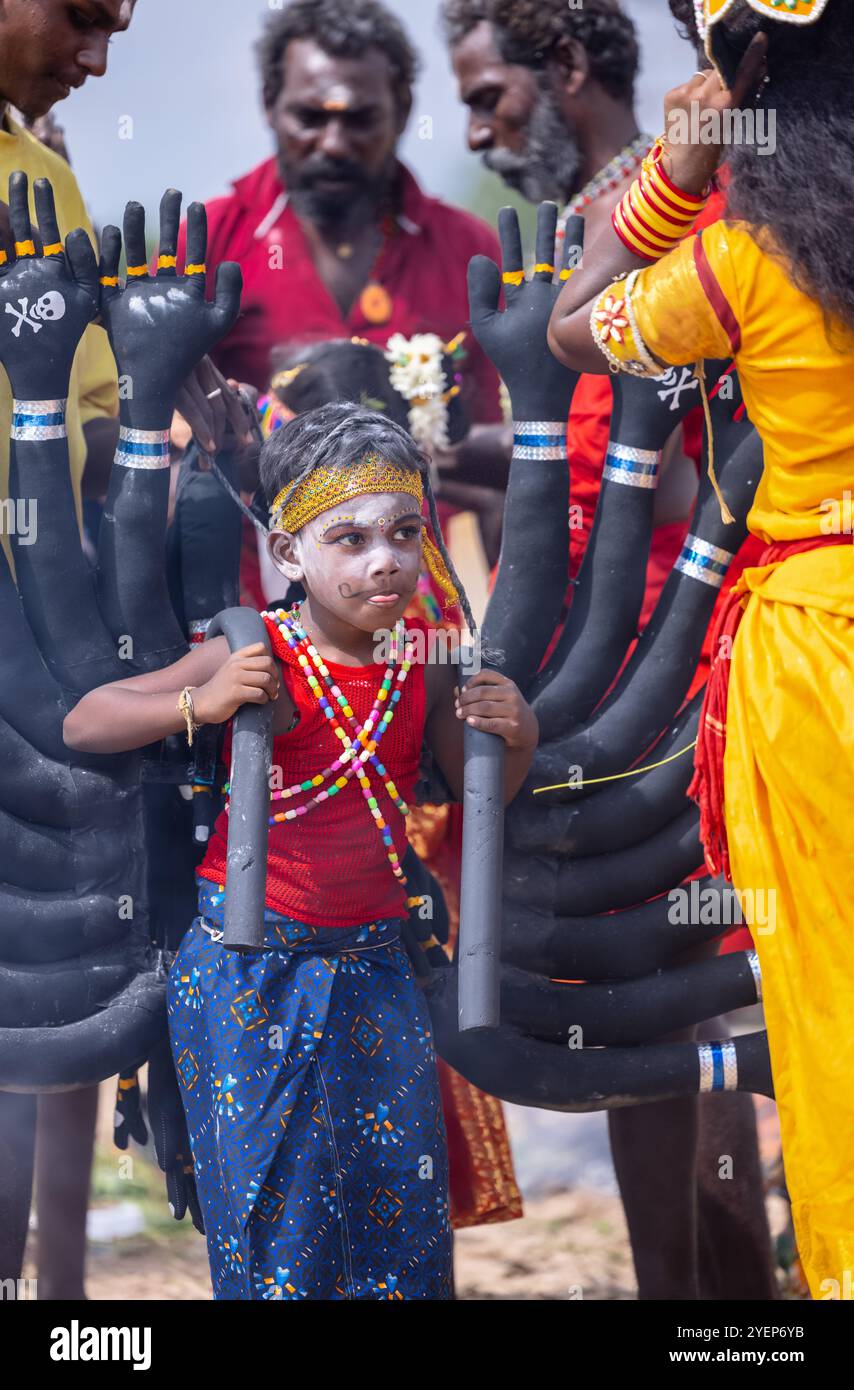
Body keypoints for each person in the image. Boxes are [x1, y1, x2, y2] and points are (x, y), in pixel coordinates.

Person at [445, 0, 775, 1301]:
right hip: (577, 662)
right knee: (636, 986)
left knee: (676, 981)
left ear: (567, 68)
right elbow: (562, 456)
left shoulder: (680, 208)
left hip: (667, 663)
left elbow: (711, 458)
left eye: (490, 96)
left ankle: (717, 1293)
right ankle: (696, 1288)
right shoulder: (591, 227)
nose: (474, 128)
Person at [63, 400, 538, 1299]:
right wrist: (197, 706)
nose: (384, 559)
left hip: (375, 969)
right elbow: (89, 723)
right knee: (278, 1220)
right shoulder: (253, 649)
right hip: (251, 973)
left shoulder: (425, 662)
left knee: (398, 1209)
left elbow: (482, 800)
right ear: (288, 554)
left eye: (405, 532)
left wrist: (516, 737)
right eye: (349, 539)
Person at [549, 0, 854, 1299]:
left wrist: (672, 180)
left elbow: (574, 326)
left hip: (810, 652)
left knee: (829, 997)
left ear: (745, 74)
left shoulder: (740, 256)